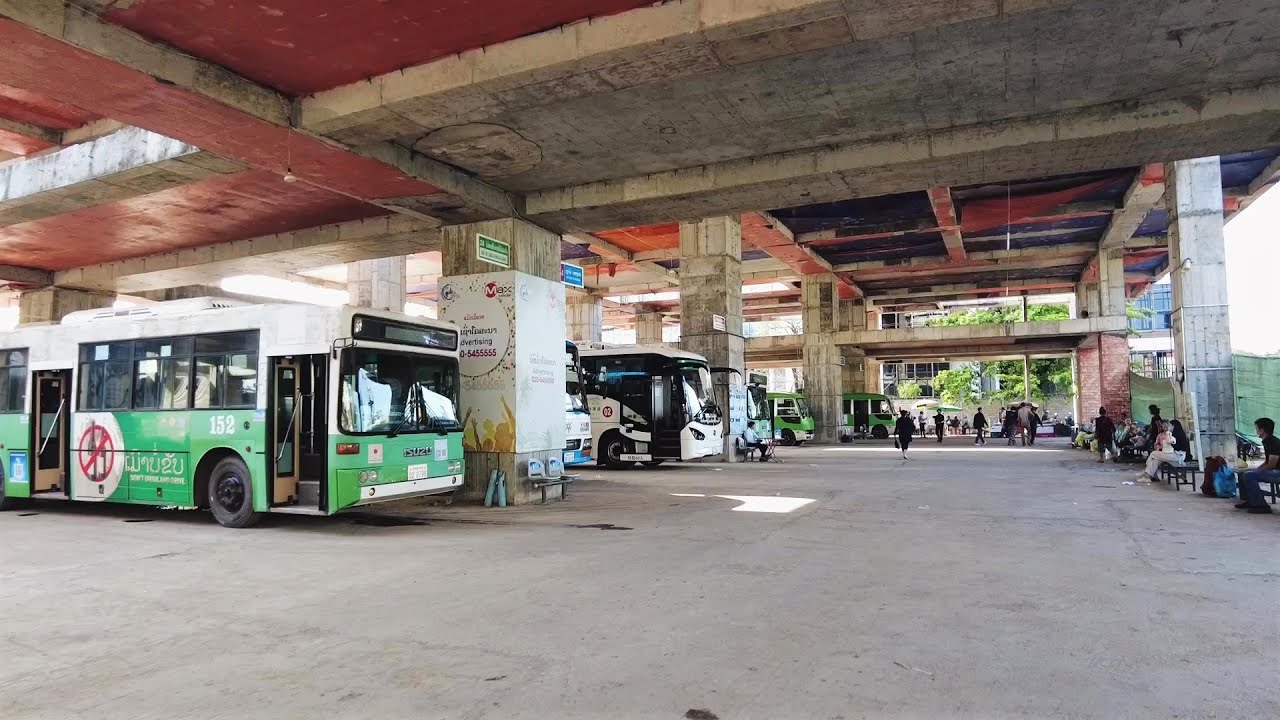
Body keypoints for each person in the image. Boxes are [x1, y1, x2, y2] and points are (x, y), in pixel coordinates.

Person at [1236, 417, 1278, 514]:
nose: (1256, 431)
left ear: (1262, 430)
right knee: (1243, 473)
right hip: (1274, 470)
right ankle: (1251, 501)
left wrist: (1256, 471)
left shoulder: (1273, 442)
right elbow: (1267, 461)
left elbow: (1271, 465)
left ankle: (1261, 506)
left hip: (1277, 472)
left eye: (1256, 428)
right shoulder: (1267, 441)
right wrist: (1255, 469)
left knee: (1249, 475)